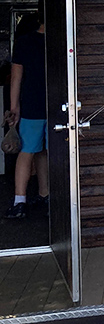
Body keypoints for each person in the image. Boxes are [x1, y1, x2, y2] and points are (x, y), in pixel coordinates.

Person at [5, 12, 48, 219]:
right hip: (59, 107)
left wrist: (14, 108)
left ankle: (19, 202)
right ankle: (45, 194)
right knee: (44, 151)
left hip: (31, 106)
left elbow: (16, 78)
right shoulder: (60, 41)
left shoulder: (24, 43)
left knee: (27, 152)